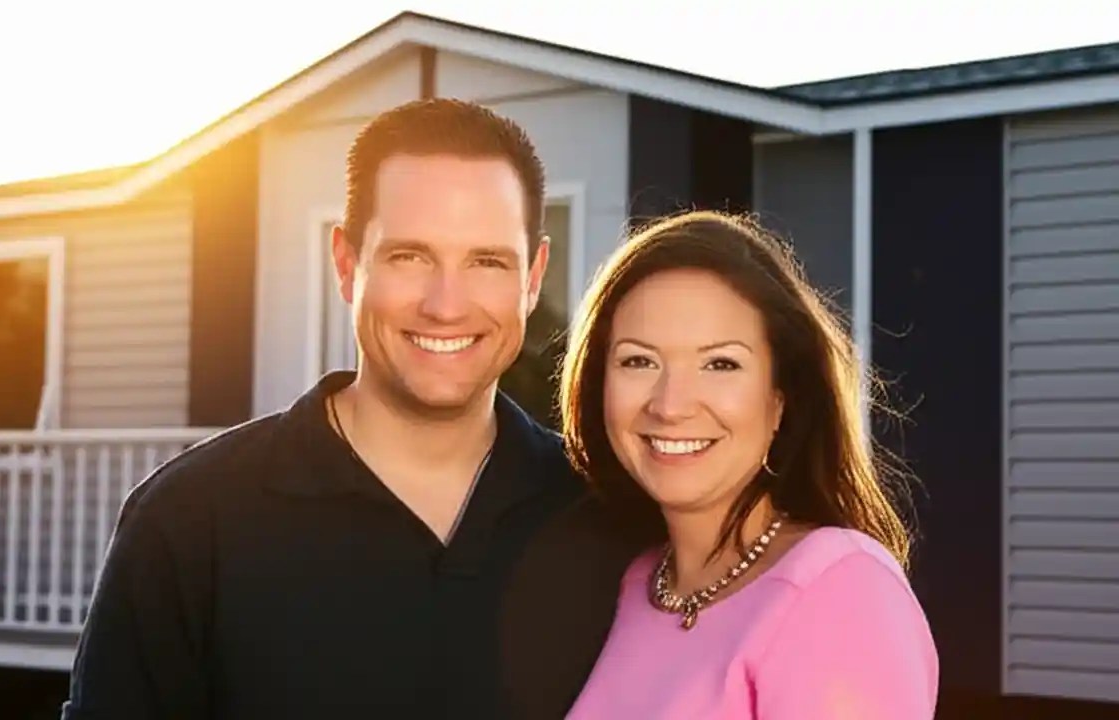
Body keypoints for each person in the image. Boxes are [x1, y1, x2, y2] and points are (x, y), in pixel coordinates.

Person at [60, 99, 636, 719]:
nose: (446, 305)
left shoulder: (602, 513)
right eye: (410, 257)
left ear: (532, 279)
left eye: (487, 261)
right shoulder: (190, 522)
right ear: (346, 262)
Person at [557, 210, 939, 718]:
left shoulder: (839, 589)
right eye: (638, 361)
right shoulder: (635, 585)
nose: (671, 405)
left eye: (720, 364)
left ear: (780, 399)